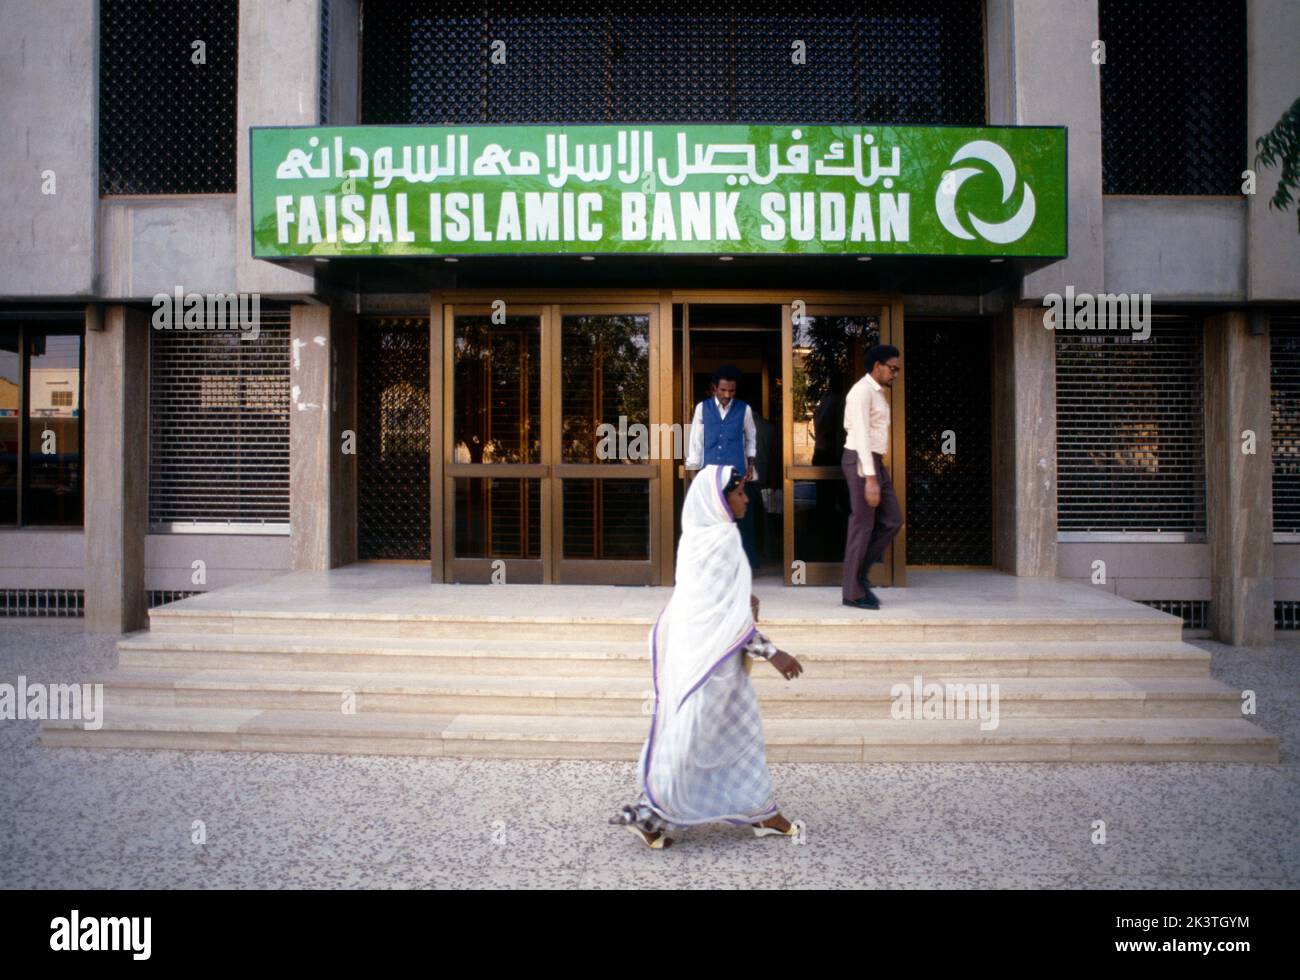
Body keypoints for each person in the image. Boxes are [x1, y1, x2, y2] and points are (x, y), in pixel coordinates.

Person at [611, 463, 804, 849]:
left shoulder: (697, 538)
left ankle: (761, 812)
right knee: (692, 738)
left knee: (738, 737)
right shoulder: (722, 540)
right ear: (718, 498)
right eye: (738, 493)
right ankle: (651, 815)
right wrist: (773, 653)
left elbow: (712, 599)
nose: (745, 499)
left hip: (704, 656)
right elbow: (719, 612)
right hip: (711, 664)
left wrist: (741, 599)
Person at [842, 344, 904, 610]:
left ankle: (859, 576)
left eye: (897, 370)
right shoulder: (861, 392)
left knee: (893, 520)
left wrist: (875, 471)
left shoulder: (877, 393)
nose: (895, 374)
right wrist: (870, 477)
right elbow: (861, 436)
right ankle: (852, 592)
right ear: (877, 366)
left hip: (874, 461)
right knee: (863, 525)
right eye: (893, 368)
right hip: (860, 459)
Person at [685, 365, 759, 570]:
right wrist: (693, 472)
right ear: (714, 388)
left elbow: (751, 438)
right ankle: (714, 566)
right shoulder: (702, 408)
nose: (727, 395)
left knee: (739, 522)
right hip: (711, 474)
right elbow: (696, 442)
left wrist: (751, 463)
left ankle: (741, 567)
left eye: (732, 390)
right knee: (713, 520)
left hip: (736, 473)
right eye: (723, 390)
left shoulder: (744, 409)